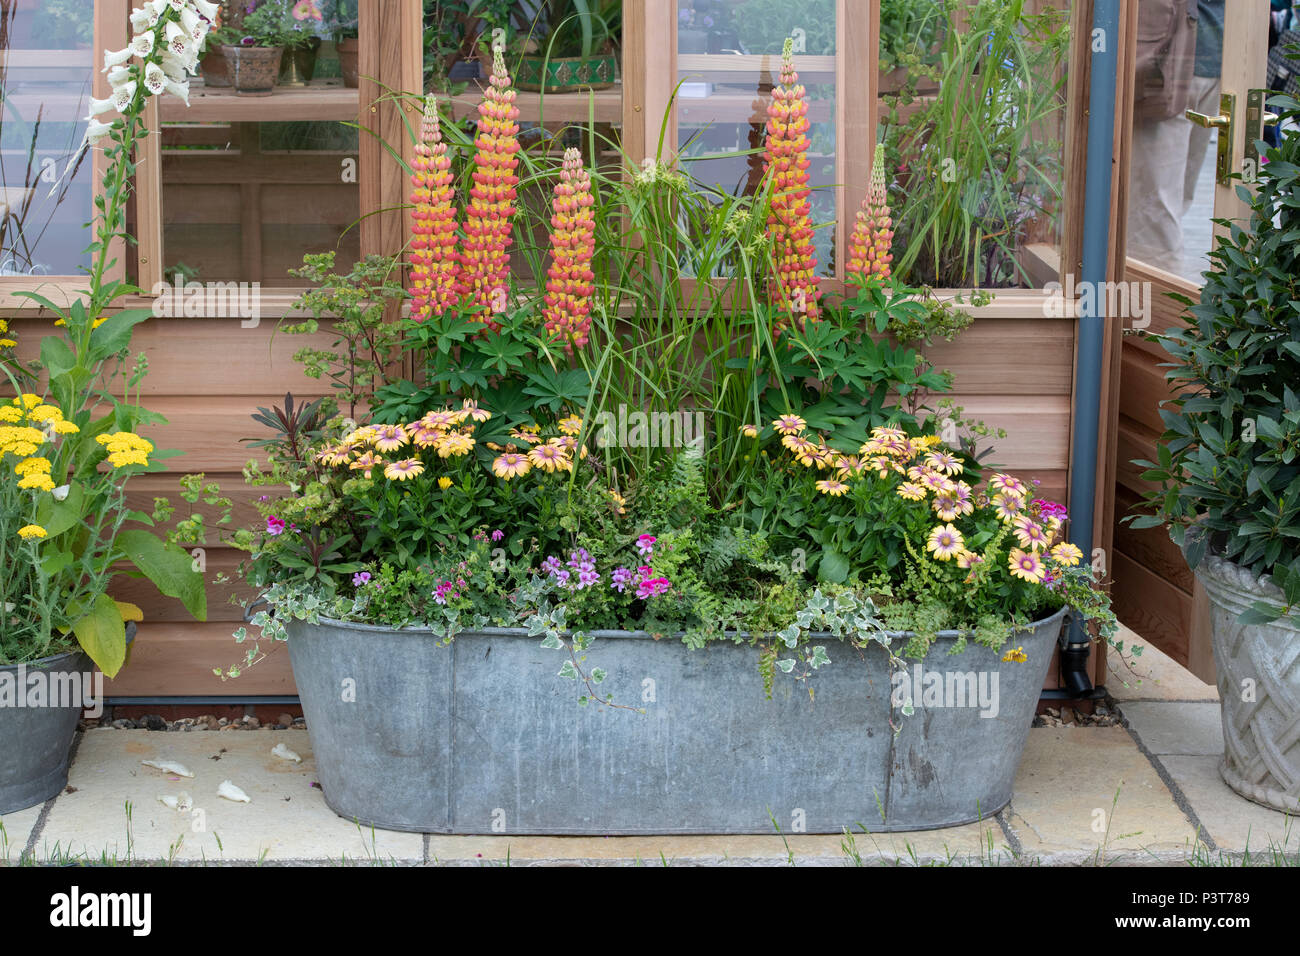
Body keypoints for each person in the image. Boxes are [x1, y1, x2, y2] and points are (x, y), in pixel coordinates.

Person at [1127, 0, 1223, 267]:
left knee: (1163, 206)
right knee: (1158, 209)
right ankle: (1158, 303)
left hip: (1205, 59)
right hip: (1173, 58)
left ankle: (1155, 302)